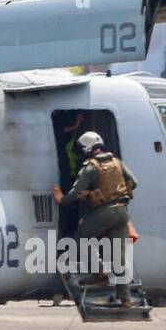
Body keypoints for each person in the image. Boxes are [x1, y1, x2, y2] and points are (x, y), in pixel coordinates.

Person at [52, 131, 138, 306]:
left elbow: (76, 193)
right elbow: (134, 183)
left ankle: (99, 271)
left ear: (87, 149)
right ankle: (125, 298)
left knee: (81, 239)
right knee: (119, 257)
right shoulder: (117, 163)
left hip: (103, 212)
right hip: (122, 212)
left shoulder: (91, 167)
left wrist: (62, 199)